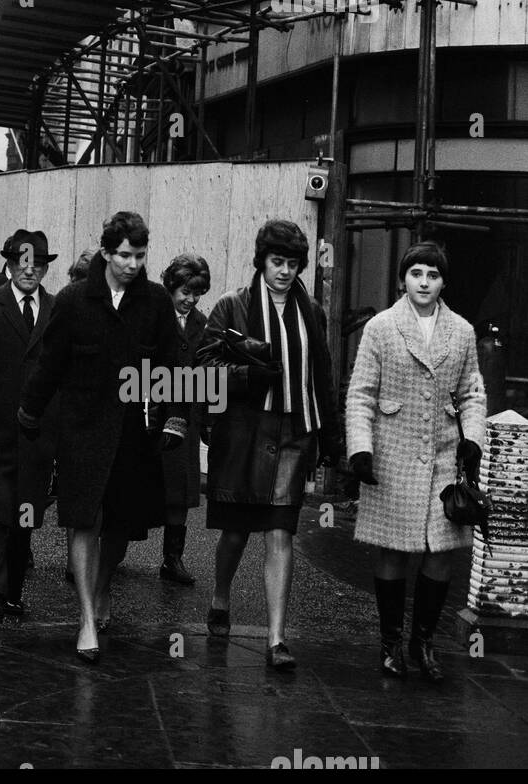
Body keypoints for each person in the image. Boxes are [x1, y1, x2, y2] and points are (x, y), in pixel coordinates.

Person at [19, 211, 186, 663]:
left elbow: (173, 364)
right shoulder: (74, 301)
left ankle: (103, 582)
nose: (133, 264)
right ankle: (87, 619)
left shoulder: (153, 301)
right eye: (125, 255)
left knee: (121, 527)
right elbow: (50, 363)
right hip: (82, 431)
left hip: (135, 433)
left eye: (140, 255)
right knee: (83, 520)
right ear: (107, 252)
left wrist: (176, 418)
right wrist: (29, 412)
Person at [197, 219, 342, 672]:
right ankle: (221, 597)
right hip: (244, 434)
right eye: (277, 262)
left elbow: (323, 373)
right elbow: (202, 368)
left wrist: (332, 438)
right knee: (237, 531)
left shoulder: (311, 312)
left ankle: (277, 639)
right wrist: (247, 376)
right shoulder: (231, 307)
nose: (284, 271)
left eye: (293, 264)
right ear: (261, 260)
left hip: (295, 432)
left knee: (281, 532)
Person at [345, 242, 486, 682]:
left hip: (445, 457)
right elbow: (362, 392)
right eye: (417, 273)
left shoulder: (461, 331)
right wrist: (360, 448)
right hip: (393, 453)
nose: (424, 282)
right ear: (403, 278)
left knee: (440, 551)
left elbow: (473, 393)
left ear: (443, 282)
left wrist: (473, 440)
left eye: (433, 275)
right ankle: (390, 645)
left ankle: (422, 642)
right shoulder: (382, 328)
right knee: (392, 550)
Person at [0, 229, 58, 622]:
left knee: (23, 515)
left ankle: (14, 592)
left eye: (37, 264)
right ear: (9, 263)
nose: (29, 270)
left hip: (37, 433)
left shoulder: (55, 309)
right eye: (22, 263)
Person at [154, 254, 211, 586]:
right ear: (171, 286)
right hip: (151, 412)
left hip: (184, 417)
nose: (190, 299)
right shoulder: (153, 316)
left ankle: (172, 559)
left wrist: (205, 420)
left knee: (179, 490)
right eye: (185, 292)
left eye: (197, 293)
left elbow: (206, 376)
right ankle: (111, 551)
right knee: (135, 484)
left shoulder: (202, 325)